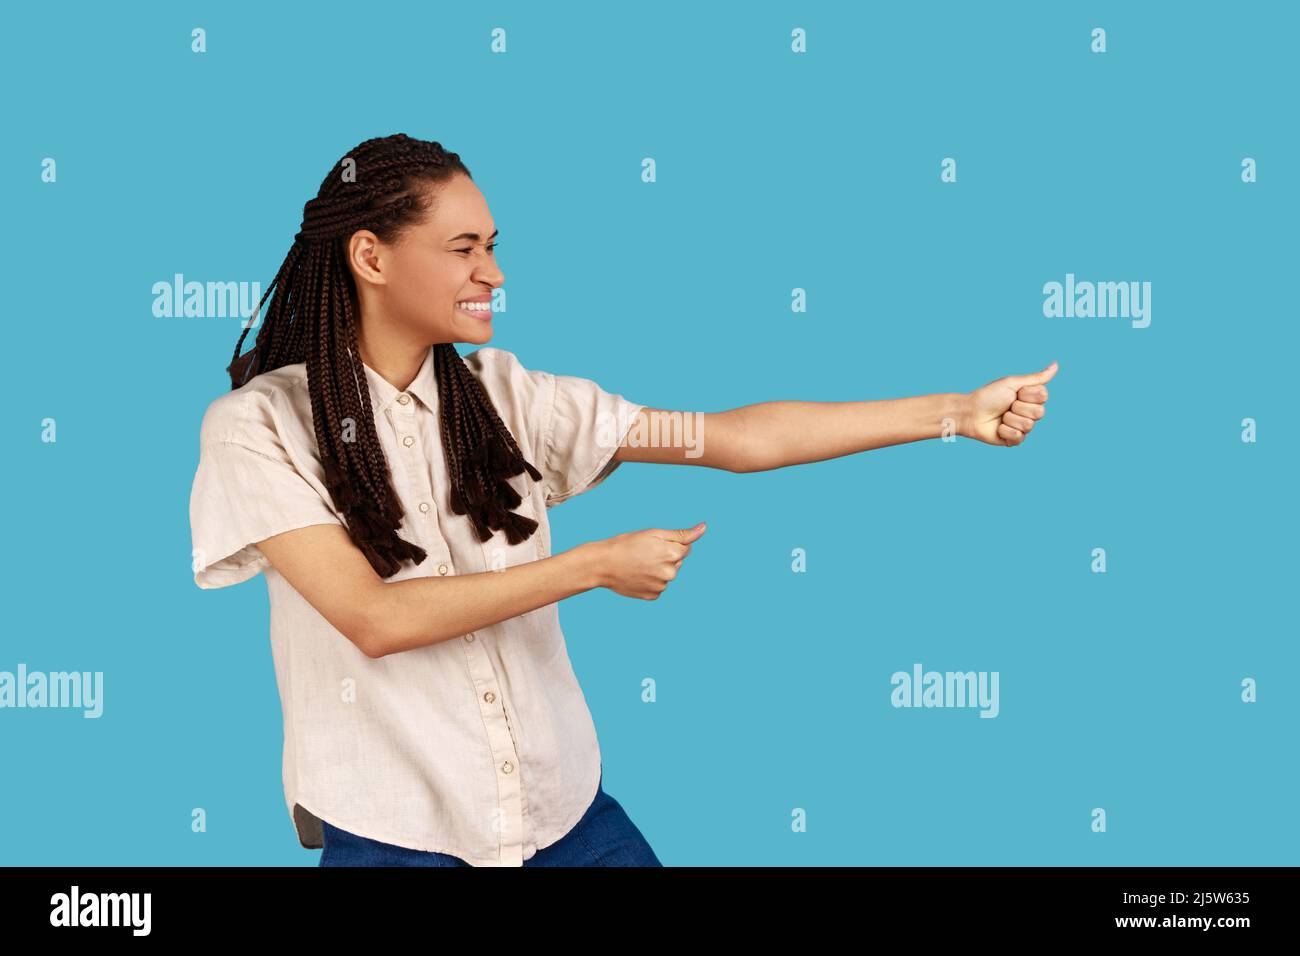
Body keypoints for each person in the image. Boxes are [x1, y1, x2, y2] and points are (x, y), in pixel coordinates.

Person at [188, 132, 1057, 867]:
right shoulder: (257, 427)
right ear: (371, 255)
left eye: (492, 244)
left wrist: (954, 412)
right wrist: (592, 566)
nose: (493, 270)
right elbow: (374, 619)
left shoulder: (509, 400)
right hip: (394, 832)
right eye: (463, 248)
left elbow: (732, 438)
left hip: (561, 815)